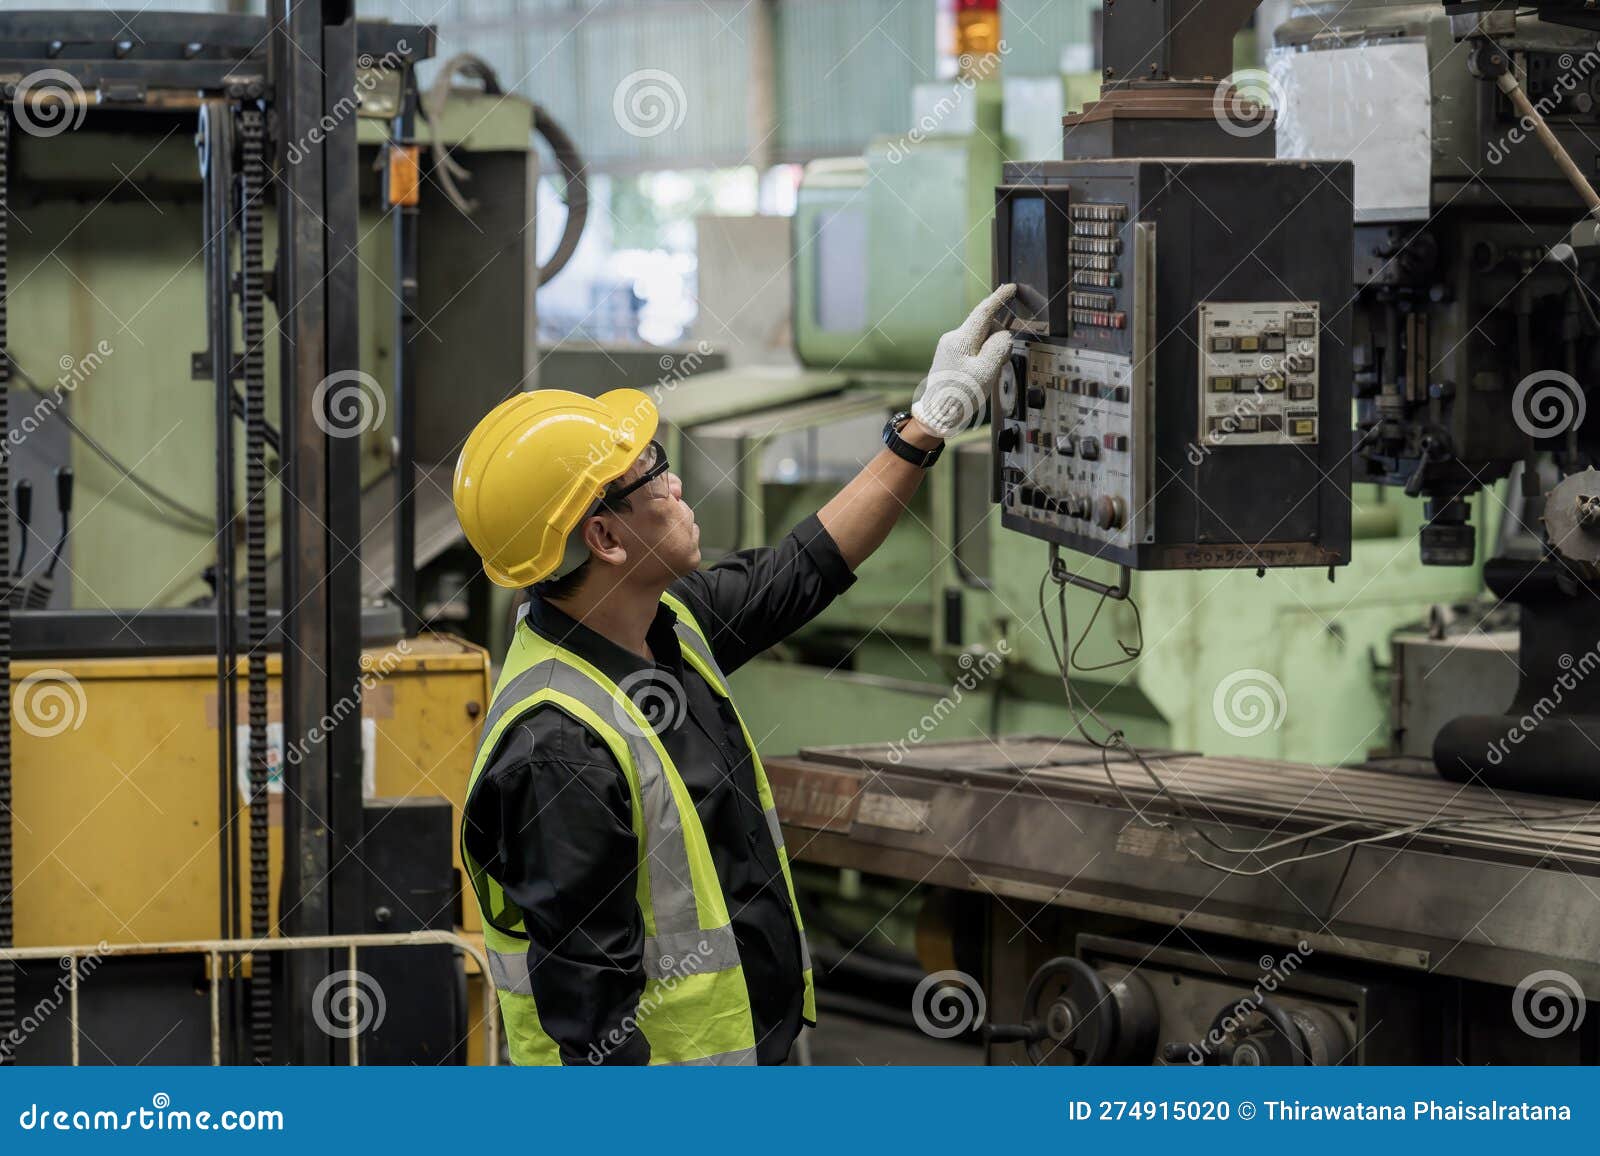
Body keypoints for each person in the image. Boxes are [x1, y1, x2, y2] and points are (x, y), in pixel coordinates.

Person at [452, 286, 1016, 1065]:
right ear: (606, 537)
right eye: (650, 472)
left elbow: (805, 566)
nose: (675, 483)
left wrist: (929, 420)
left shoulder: (666, 623)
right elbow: (591, 1028)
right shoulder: (559, 752)